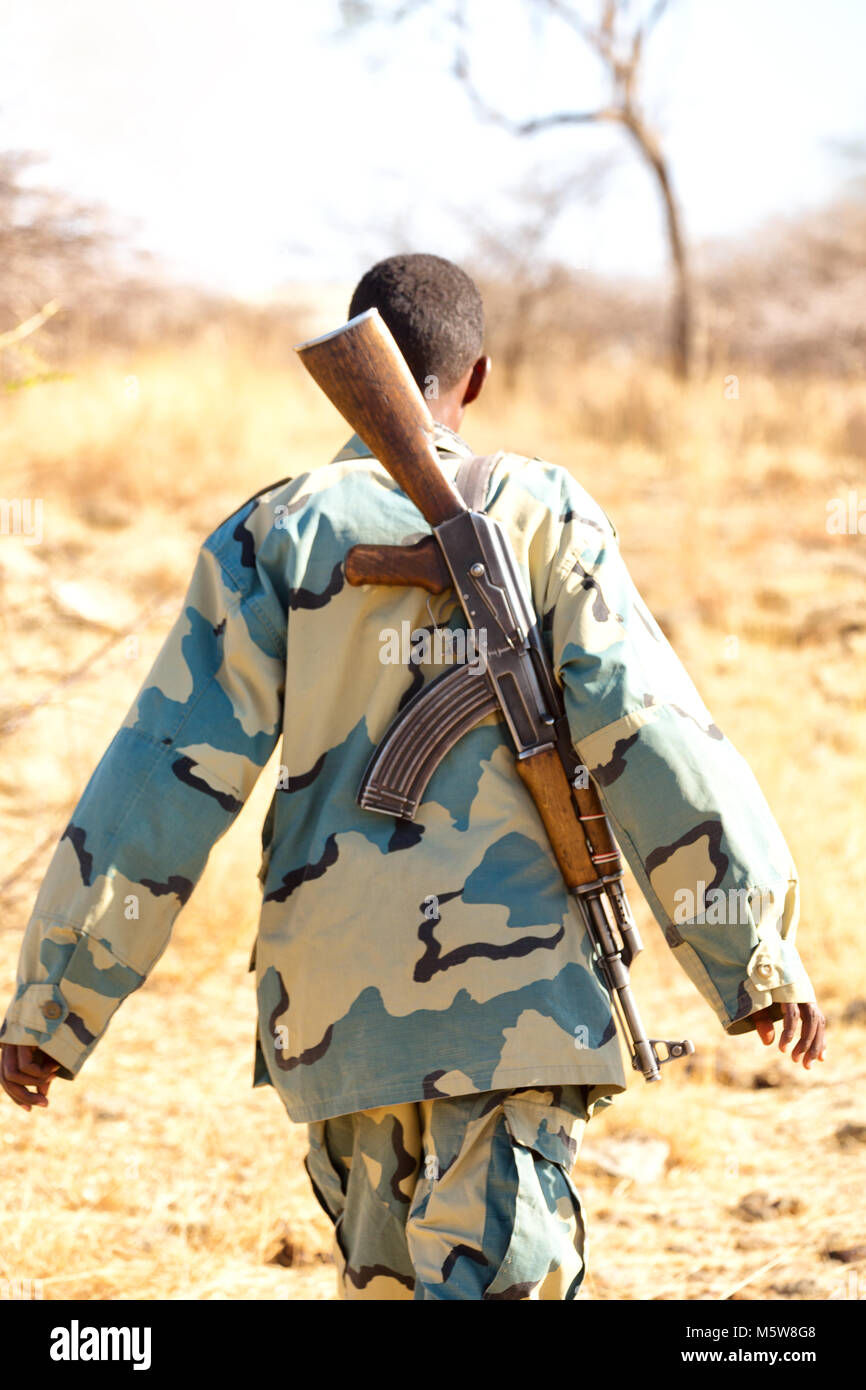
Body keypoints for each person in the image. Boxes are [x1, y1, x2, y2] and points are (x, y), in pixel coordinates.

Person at [0, 253, 825, 1301]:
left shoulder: (275, 530)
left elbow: (161, 780)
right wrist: (750, 948)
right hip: (513, 1011)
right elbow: (650, 731)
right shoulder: (543, 511)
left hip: (336, 1017)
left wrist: (54, 999)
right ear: (473, 376)